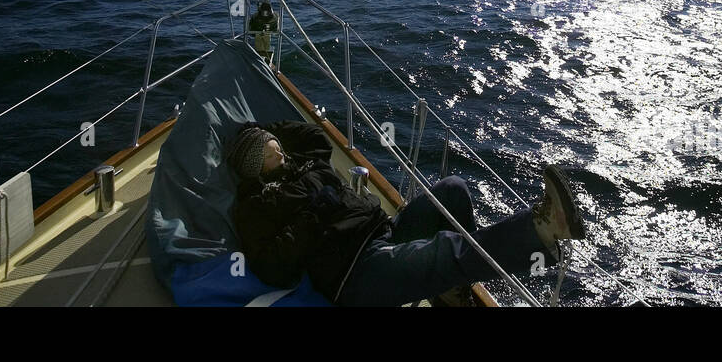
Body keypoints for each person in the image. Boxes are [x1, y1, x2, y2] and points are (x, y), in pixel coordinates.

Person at [227, 119, 585, 306]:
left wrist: (264, 128)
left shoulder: (303, 164)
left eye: (269, 139)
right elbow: (269, 265)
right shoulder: (258, 204)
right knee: (443, 250)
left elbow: (314, 136)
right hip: (353, 274)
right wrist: (311, 218)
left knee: (453, 190)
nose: (275, 144)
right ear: (258, 161)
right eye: (265, 145)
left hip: (381, 232)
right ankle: (541, 229)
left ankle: (451, 294)